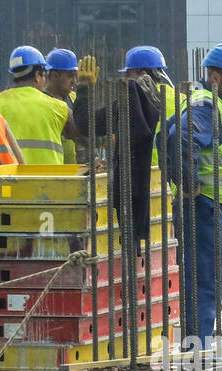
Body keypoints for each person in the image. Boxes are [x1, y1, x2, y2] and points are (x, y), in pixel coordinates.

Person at [168, 44, 222, 353]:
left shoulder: (208, 103)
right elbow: (179, 138)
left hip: (207, 207)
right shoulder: (208, 107)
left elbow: (169, 136)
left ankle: (195, 348)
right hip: (205, 207)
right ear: (215, 76)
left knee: (200, 279)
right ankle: (197, 352)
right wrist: (188, 185)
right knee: (207, 282)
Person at [72, 53, 162, 235]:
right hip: (168, 186)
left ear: (141, 73)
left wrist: (84, 88)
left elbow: (85, 123)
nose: (124, 80)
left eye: (128, 74)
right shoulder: (178, 98)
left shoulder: (130, 102)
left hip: (136, 188)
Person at [0, 46, 76, 164]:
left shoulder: (0, 101)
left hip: (10, 180)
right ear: (37, 76)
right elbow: (82, 132)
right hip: (49, 180)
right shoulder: (58, 107)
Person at [43, 48, 78, 164]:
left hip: (77, 171)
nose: (74, 81)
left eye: (75, 76)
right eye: (70, 76)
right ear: (54, 75)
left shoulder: (74, 99)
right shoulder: (42, 103)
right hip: (54, 171)